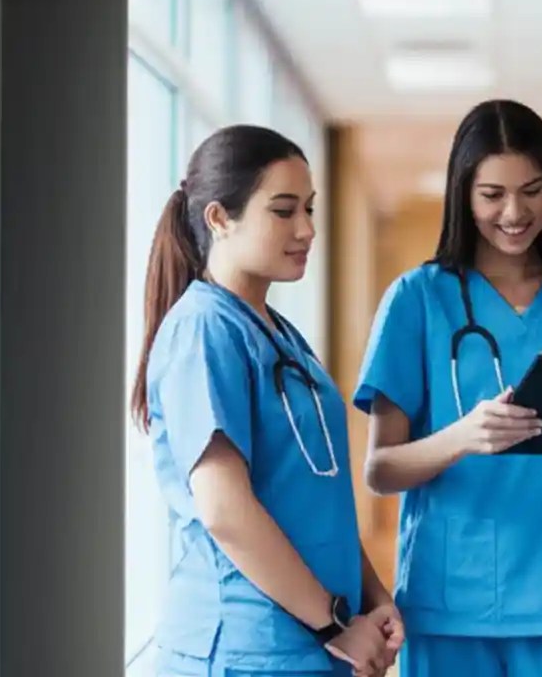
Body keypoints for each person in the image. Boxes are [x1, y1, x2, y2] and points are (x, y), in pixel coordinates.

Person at [352, 99, 542, 677]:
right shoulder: (416, 299)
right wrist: (463, 437)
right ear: (463, 194)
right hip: (450, 599)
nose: (515, 212)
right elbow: (381, 469)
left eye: (533, 190)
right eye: (492, 194)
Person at [131, 125, 405, 676]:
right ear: (219, 218)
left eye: (309, 208)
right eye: (283, 211)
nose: (306, 229)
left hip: (309, 641)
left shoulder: (278, 334)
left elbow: (313, 498)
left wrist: (373, 598)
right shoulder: (204, 328)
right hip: (244, 647)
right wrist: (333, 624)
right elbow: (224, 508)